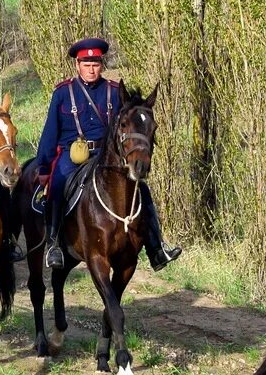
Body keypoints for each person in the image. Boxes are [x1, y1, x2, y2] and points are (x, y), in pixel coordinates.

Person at [34, 38, 181, 272]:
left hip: (107, 155)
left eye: (95, 64)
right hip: (73, 156)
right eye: (86, 64)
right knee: (58, 183)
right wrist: (43, 168)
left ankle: (156, 246)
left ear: (101, 65)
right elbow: (51, 131)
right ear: (77, 65)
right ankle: (54, 244)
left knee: (142, 188)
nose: (91, 69)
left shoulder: (114, 92)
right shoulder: (64, 92)